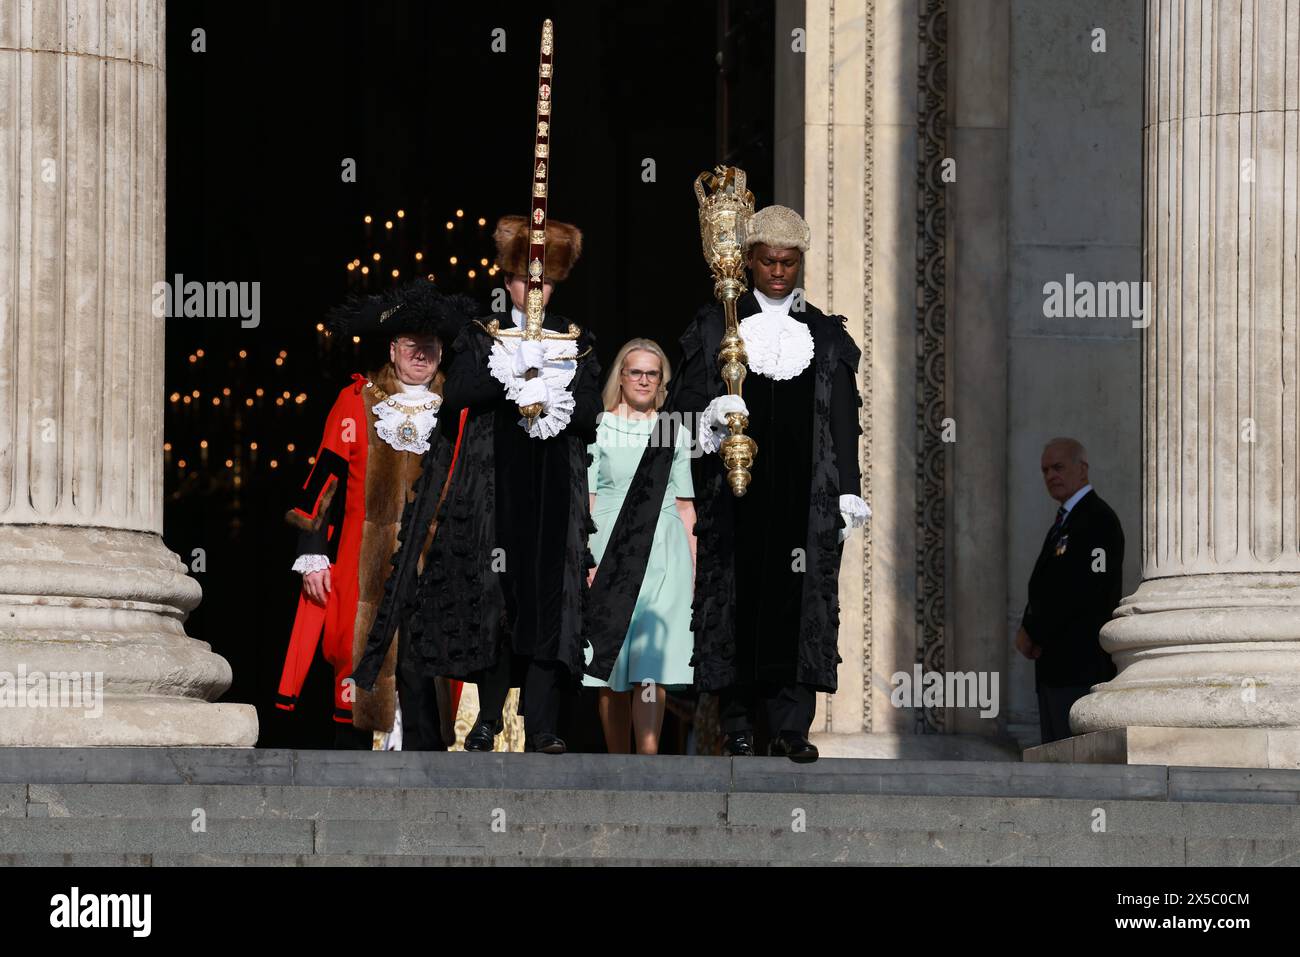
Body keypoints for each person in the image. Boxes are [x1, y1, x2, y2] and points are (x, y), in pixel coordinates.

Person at [352, 215, 604, 755]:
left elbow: (589, 415)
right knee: (494, 603)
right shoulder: (480, 334)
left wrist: (550, 376)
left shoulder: (577, 341)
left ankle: (542, 724)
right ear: (508, 280)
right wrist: (510, 369)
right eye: (524, 281)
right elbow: (460, 392)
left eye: (546, 284)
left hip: (554, 493)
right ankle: (487, 719)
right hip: (491, 492)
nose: (534, 292)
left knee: (548, 608)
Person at [670, 205, 871, 762]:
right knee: (736, 598)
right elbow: (682, 411)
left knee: (799, 602)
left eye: (789, 262)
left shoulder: (824, 335)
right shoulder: (718, 325)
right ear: (751, 262)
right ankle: (737, 722)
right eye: (768, 261)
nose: (779, 271)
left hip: (805, 500)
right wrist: (713, 411)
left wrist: (849, 488)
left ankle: (790, 726)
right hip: (734, 499)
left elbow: (843, 419)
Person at [277, 279, 475, 750]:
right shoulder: (357, 400)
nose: (421, 354)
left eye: (430, 346)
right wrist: (313, 553)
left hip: (436, 561)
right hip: (363, 560)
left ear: (442, 352)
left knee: (429, 663)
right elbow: (323, 477)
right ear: (393, 347)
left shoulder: (459, 408)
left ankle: (426, 759)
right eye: (412, 344)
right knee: (358, 654)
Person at [584, 339, 696, 754]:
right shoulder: (598, 425)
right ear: (622, 376)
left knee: (652, 667)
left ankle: (647, 765)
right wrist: (586, 560)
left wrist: (695, 571)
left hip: (664, 553)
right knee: (610, 665)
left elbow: (686, 506)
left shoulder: (674, 429)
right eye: (636, 372)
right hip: (609, 547)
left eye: (653, 373)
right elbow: (590, 498)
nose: (644, 380)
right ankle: (619, 765)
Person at [1015, 437, 1123, 744]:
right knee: (1054, 753)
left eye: (1058, 467)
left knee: (1070, 755)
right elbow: (1046, 583)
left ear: (1083, 469)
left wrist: (1034, 631)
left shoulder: (1096, 519)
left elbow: (1082, 591)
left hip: (1079, 664)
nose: (1051, 476)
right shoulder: (1065, 522)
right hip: (1055, 664)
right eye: (1045, 470)